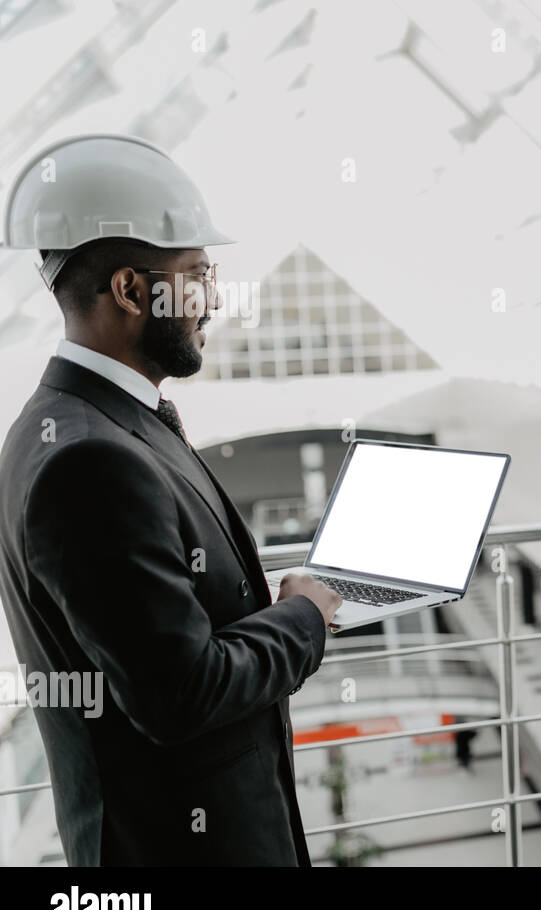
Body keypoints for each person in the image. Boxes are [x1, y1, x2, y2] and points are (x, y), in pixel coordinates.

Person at [0, 133, 342, 865]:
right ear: (130, 289)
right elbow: (180, 692)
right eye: (198, 274)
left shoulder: (76, 423)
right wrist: (306, 614)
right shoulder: (89, 460)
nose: (213, 299)